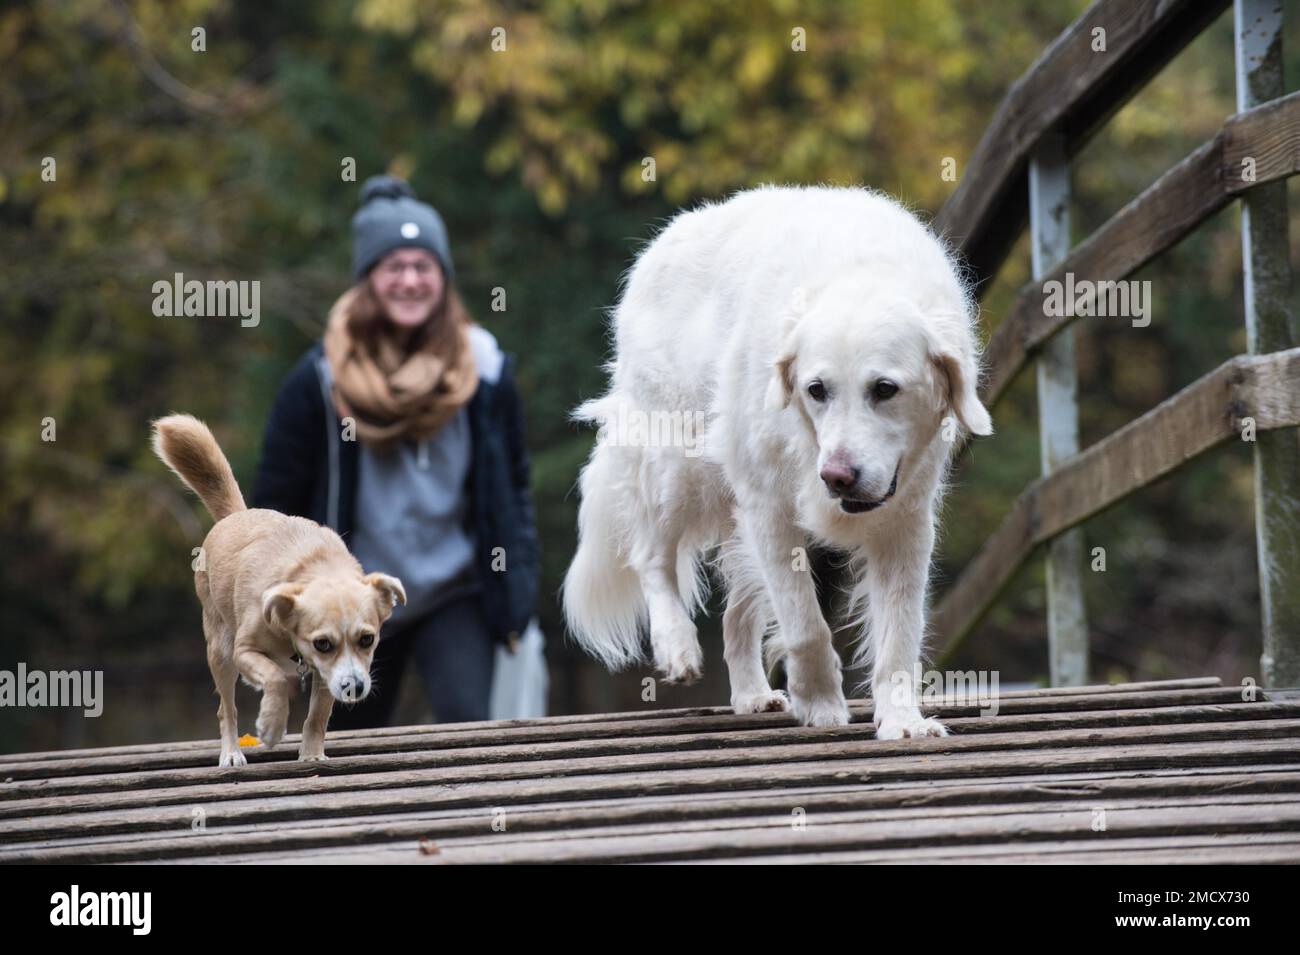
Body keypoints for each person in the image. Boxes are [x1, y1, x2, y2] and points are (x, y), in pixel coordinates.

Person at [252, 174, 540, 728]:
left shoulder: (488, 370)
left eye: (423, 266)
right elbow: (274, 505)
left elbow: (515, 490)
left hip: (454, 591)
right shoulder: (319, 380)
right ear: (369, 279)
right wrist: (276, 603)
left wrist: (517, 592)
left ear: (444, 278)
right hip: (345, 595)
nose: (410, 280)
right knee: (343, 744)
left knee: (467, 730)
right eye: (394, 267)